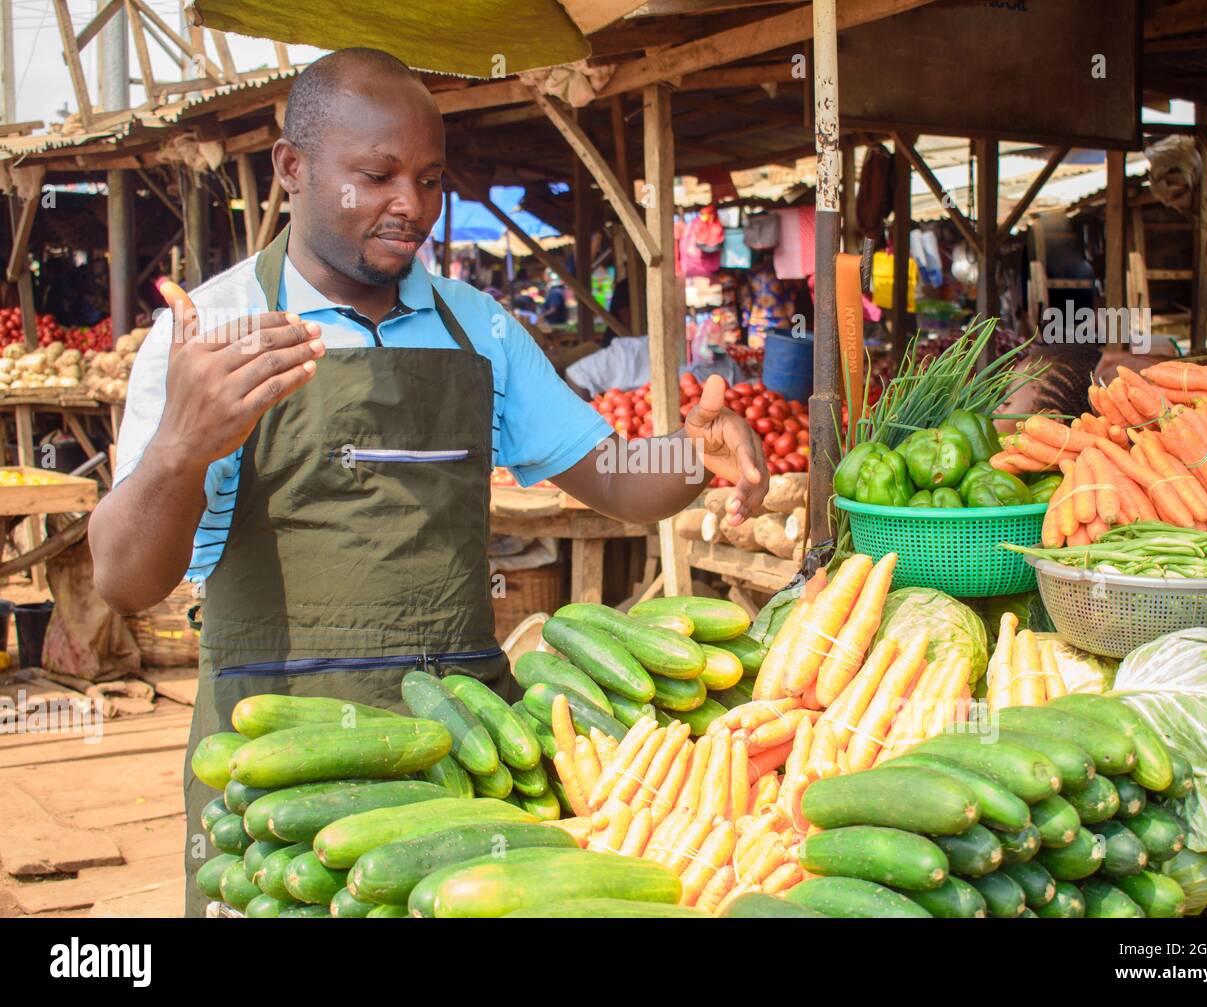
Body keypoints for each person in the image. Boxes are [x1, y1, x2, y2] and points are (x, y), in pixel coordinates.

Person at [86, 48, 767, 917]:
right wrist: (182, 445)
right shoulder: (208, 334)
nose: (410, 205)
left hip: (462, 752)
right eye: (376, 175)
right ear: (291, 168)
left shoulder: (478, 328)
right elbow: (125, 581)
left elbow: (611, 476)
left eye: (430, 179)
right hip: (280, 758)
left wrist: (688, 456)